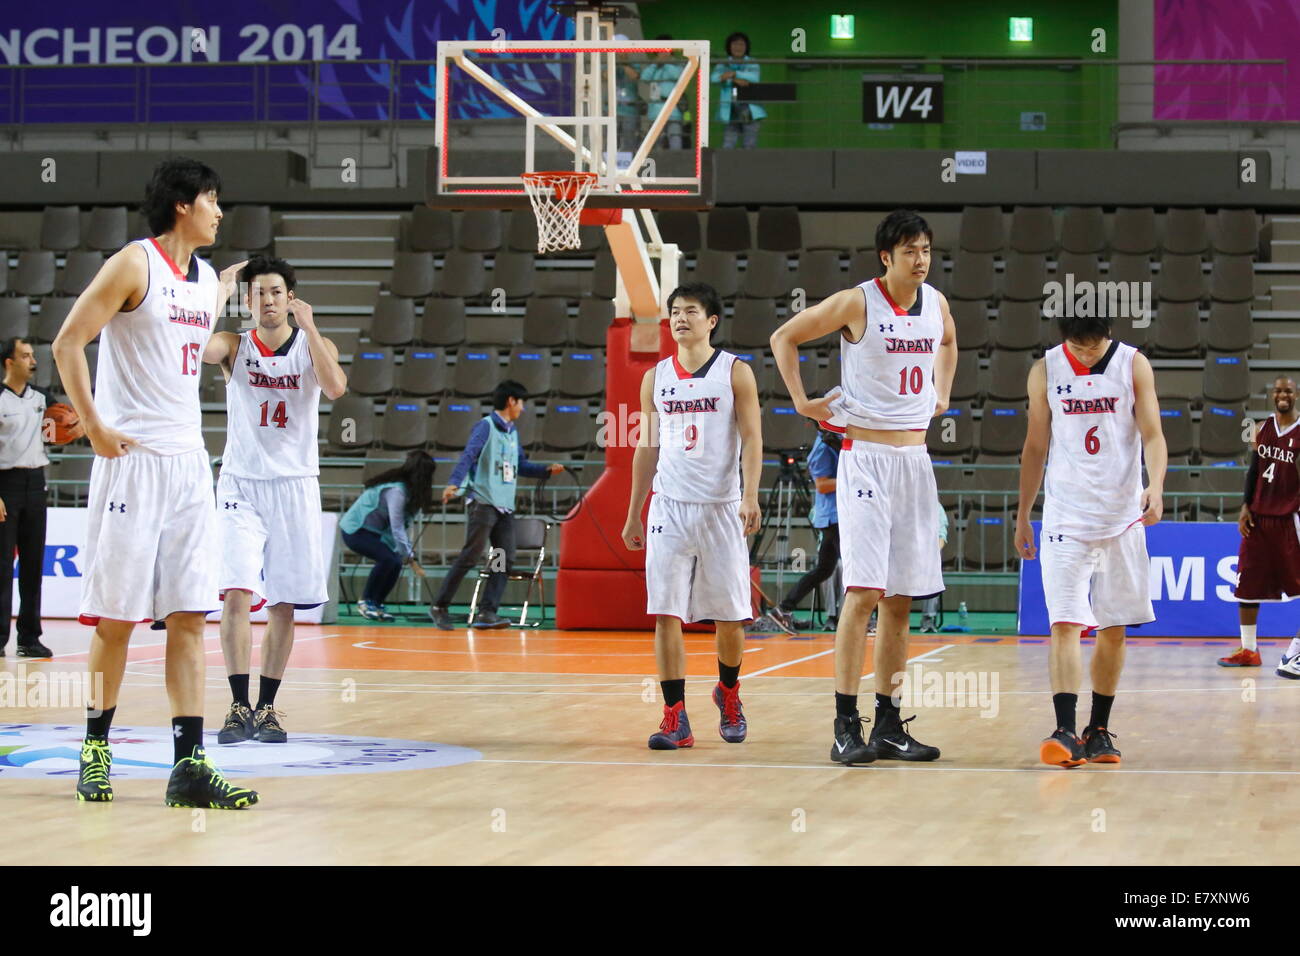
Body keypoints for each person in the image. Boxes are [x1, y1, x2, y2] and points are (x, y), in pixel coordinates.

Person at [51, 156, 257, 808]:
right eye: (212, 200)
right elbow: (67, 342)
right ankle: (94, 747)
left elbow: (211, 301)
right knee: (117, 620)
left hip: (190, 463)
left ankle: (189, 766)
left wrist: (242, 287)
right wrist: (93, 424)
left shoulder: (201, 280)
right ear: (181, 206)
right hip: (131, 461)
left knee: (190, 615)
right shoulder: (132, 264)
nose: (220, 211)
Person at [770, 209, 957, 766]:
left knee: (901, 599)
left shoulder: (938, 303)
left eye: (925, 250)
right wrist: (802, 402)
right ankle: (844, 723)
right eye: (910, 252)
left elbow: (948, 342)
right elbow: (785, 337)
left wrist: (941, 394)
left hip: (915, 459)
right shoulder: (859, 302)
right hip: (867, 460)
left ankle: (890, 723)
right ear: (886, 256)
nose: (920, 260)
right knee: (864, 594)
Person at [204, 255, 347, 744]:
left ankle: (267, 708)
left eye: (276, 292)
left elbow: (335, 387)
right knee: (237, 593)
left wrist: (310, 328)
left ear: (291, 298)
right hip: (241, 483)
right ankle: (237, 705)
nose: (267, 300)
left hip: (294, 485)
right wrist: (217, 294)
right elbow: (191, 347)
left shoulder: (313, 345)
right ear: (248, 301)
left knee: (283, 603)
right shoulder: (233, 345)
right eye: (258, 293)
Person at [1015, 312, 1166, 768]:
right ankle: (1064, 729)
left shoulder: (1133, 365)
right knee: (1064, 622)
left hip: (1120, 518)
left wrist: (1156, 484)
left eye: (1093, 347)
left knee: (1113, 629)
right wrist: (1023, 514)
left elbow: (1154, 435)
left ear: (1109, 336)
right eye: (1078, 347)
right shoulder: (1044, 370)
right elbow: (1035, 446)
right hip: (1065, 518)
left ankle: (1098, 728)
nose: (1085, 354)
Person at [622, 282, 763, 749]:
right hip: (669, 506)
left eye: (691, 311)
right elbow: (646, 445)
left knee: (729, 617)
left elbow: (753, 438)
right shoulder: (655, 377)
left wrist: (751, 496)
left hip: (721, 507)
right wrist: (633, 511)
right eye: (675, 312)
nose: (680, 318)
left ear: (712, 320)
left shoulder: (735, 372)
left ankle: (728, 691)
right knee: (665, 611)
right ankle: (675, 717)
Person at [429, 380, 562, 630]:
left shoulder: (512, 433)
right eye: (521, 403)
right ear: (511, 401)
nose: (522, 408)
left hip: (504, 508)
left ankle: (487, 612)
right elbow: (469, 455)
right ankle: (440, 606)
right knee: (471, 555)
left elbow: (520, 465)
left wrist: (545, 471)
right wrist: (454, 483)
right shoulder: (486, 427)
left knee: (503, 557)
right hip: (483, 503)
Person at [1218, 376, 1300, 678]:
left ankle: (1297, 651)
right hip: (1259, 517)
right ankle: (1249, 650)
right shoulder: (1261, 428)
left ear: (1296, 395)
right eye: (1278, 390)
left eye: (1288, 391)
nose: (1282, 395)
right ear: (1272, 395)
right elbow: (1253, 470)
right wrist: (1245, 505)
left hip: (1291, 518)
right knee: (1246, 584)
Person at [0, 337, 53, 658]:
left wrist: (71, 430)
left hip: (36, 483)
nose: (33, 360)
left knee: (33, 566)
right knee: (3, 566)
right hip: (5, 483)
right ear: (10, 362)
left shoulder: (44, 398)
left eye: (33, 355)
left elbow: (55, 435)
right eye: (25, 356)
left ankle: (29, 638)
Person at [340, 450, 437, 622]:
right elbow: (397, 527)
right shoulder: (396, 491)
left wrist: (404, 555)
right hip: (355, 530)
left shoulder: (409, 493)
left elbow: (401, 527)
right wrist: (409, 555)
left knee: (395, 562)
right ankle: (366, 602)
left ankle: (377, 603)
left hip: (373, 533)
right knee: (388, 559)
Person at [769, 426, 840, 635]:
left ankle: (784, 609)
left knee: (825, 569)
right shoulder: (822, 448)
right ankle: (865, 619)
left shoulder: (836, 438)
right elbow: (822, 485)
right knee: (856, 568)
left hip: (837, 514)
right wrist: (853, 477)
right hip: (833, 516)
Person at [711, 32, 766, 150]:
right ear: (729, 46)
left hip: (748, 107)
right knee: (728, 144)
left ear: (746, 47)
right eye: (735, 44)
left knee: (749, 144)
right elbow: (714, 78)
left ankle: (747, 168)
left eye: (741, 44)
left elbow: (754, 78)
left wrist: (733, 74)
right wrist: (736, 79)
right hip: (731, 108)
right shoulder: (723, 63)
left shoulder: (752, 62)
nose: (738, 47)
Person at [631, 35, 685, 150]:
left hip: (673, 109)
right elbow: (644, 78)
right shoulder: (653, 65)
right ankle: (658, 164)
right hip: (655, 109)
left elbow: (678, 76)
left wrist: (666, 63)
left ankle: (678, 164)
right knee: (656, 142)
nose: (664, 52)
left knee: (675, 139)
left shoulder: (677, 63)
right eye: (661, 48)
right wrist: (656, 64)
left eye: (667, 48)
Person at [917, 501, 949, 633]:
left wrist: (934, 553)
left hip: (926, 554)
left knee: (932, 573)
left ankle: (928, 620)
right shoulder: (902, 500)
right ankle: (876, 619)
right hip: (903, 553)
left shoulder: (936, 506)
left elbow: (942, 534)